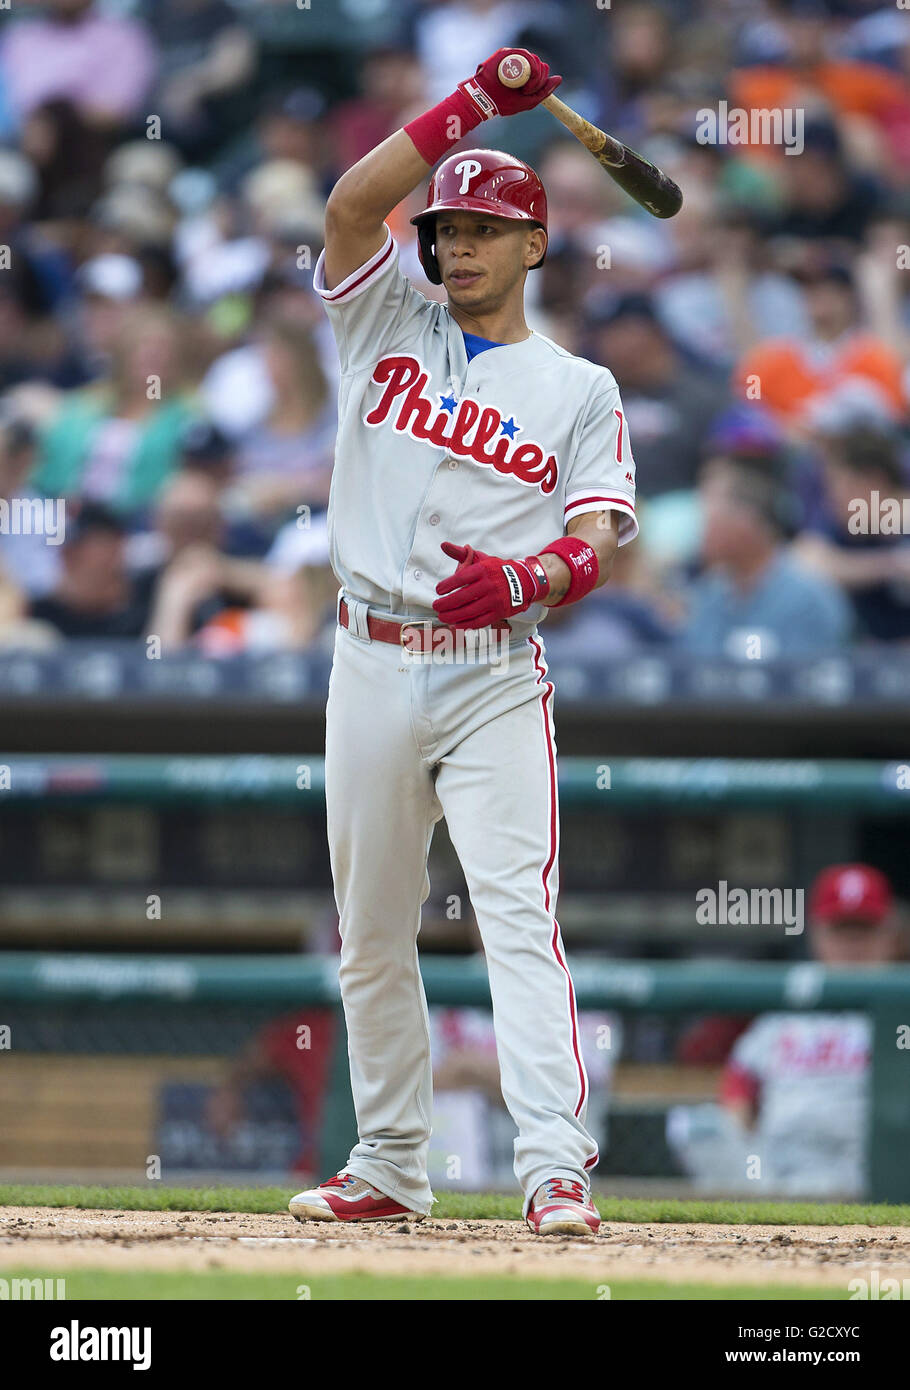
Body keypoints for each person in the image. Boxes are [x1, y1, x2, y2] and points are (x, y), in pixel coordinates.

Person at [288, 46, 638, 1239]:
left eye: (485, 229)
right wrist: (471, 111)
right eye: (446, 227)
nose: (457, 245)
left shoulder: (579, 385)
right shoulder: (385, 310)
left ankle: (554, 1167)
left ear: (534, 245)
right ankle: (389, 1162)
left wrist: (539, 574)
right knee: (372, 927)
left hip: (493, 674)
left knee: (515, 922)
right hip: (370, 657)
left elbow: (603, 531)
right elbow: (345, 206)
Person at [669, 865, 904, 1198]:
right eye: (841, 930)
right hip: (779, 1170)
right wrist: (745, 1137)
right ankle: (758, 1209)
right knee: (696, 1127)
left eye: (863, 930)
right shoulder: (789, 1008)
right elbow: (739, 1084)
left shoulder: (901, 1011)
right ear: (818, 934)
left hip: (863, 1170)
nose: (852, 944)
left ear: (889, 935)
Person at [678, 459, 852, 659]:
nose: (702, 532)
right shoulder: (707, 595)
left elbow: (813, 679)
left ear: (747, 523)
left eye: (711, 520)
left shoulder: (810, 599)